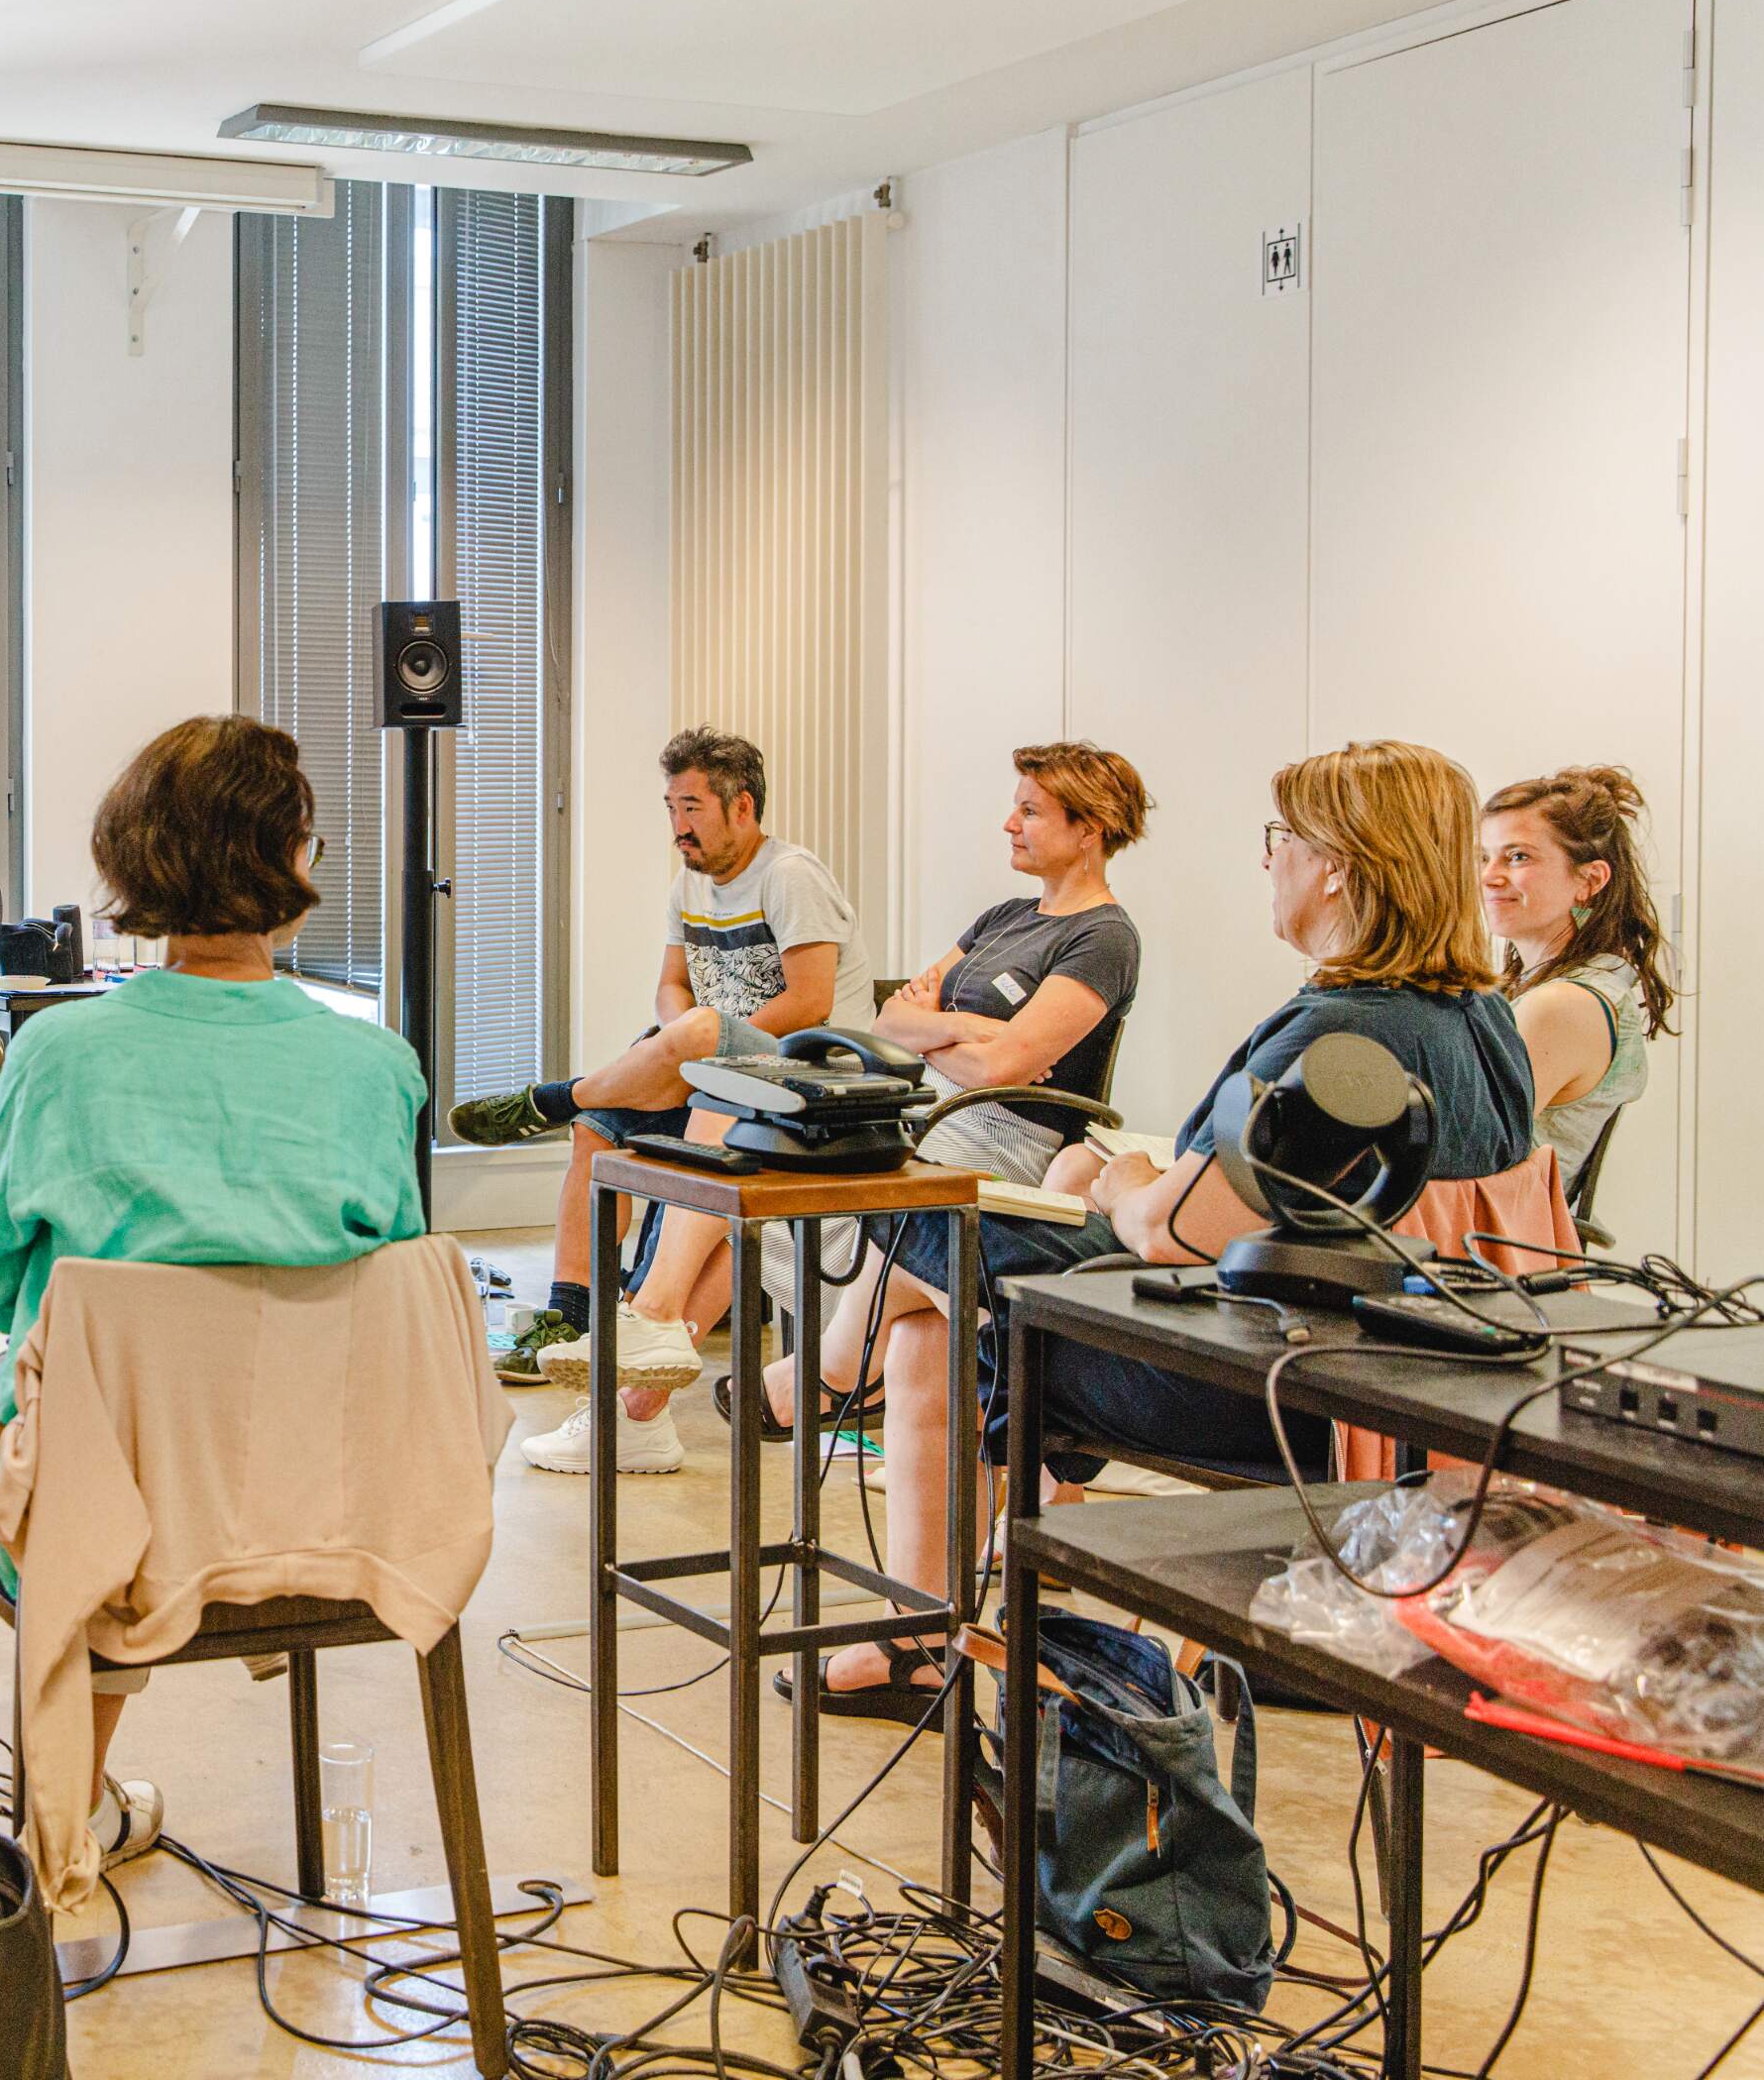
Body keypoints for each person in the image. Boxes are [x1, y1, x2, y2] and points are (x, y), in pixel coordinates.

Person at [802, 740, 1532, 1723]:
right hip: (1400, 1377)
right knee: (931, 1322)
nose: (1266, 859)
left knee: (919, 1219)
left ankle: (820, 1410)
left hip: (1258, 1384)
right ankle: (911, 1633)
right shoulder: (1483, 1021)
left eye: (1281, 839)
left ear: (1336, 867)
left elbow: (1173, 1232)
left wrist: (1111, 1176)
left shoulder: (1336, 1038)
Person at [0, 713, 426, 1871]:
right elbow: (388, 1293)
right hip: (327, 1508)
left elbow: (4, 1278)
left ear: (131, 861)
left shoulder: (55, 1057)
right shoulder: (377, 1068)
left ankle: (61, 1802)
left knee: (46, 1390)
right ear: (297, 862)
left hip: (109, 1517)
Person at [523, 744, 1151, 1477]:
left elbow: (1004, 1069)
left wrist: (950, 1031)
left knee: (747, 1176)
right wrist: (966, 1031)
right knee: (742, 1148)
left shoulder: (1102, 937)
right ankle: (646, 1370)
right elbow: (891, 1018)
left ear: (1090, 828)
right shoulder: (1003, 918)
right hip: (920, 1118)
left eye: (1030, 810)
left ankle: (644, 1384)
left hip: (1000, 1139)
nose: (1008, 822)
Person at [446, 727, 873, 1400]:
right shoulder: (688, 885)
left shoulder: (791, 876)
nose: (679, 826)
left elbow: (810, 1001)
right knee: (597, 1130)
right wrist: (683, 1044)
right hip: (716, 1067)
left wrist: (699, 1043)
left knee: (686, 1036)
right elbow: (670, 985)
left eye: (693, 808)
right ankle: (569, 1317)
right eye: (671, 808)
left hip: (804, 1076)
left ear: (742, 807)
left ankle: (553, 1097)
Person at [1478, 765, 1676, 1198]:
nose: (1489, 876)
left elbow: (1467, 1151)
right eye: (1483, 857)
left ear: (1589, 881)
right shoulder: (1545, 987)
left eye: (1517, 857)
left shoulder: (1562, 1004)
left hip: (1491, 1251)